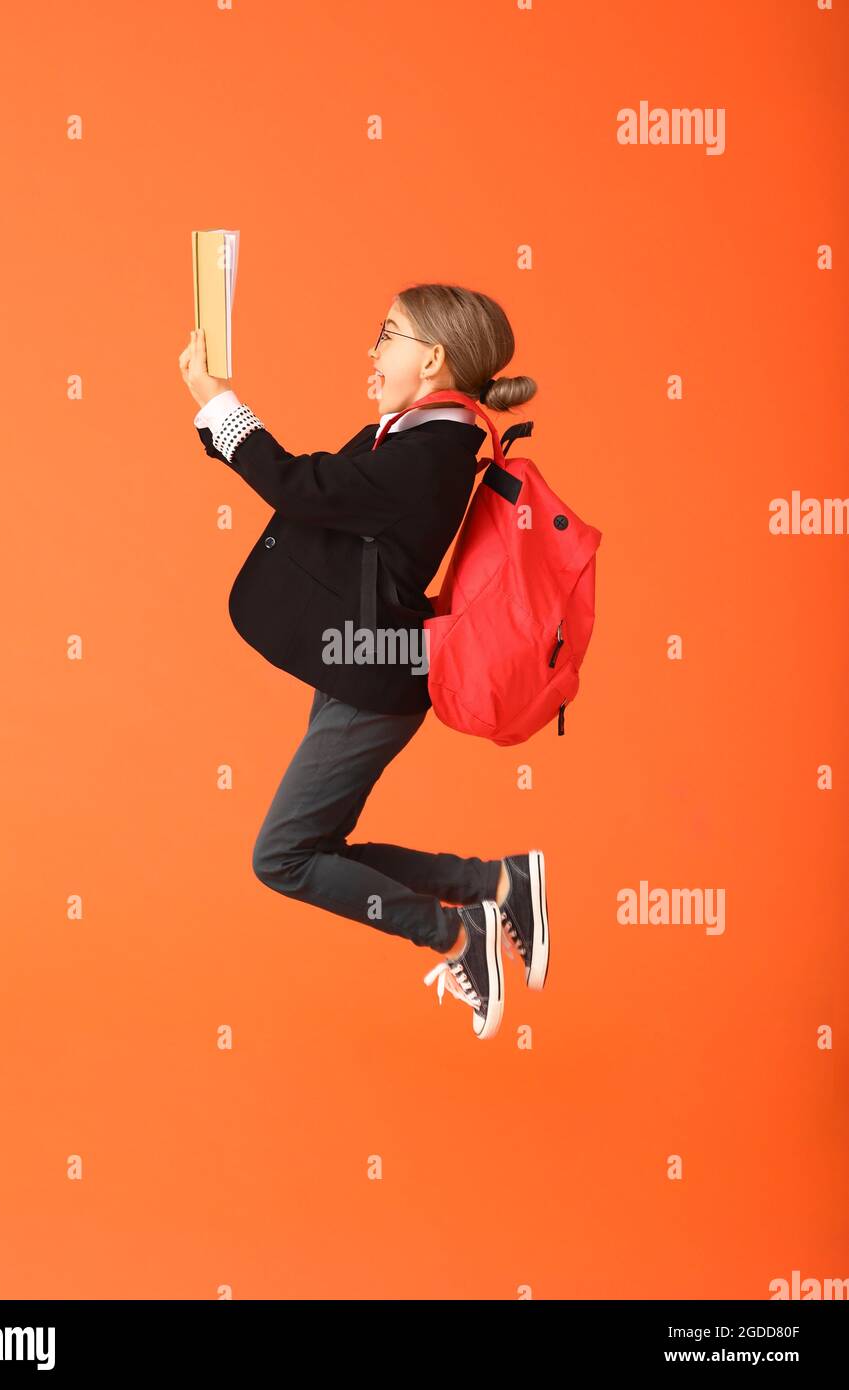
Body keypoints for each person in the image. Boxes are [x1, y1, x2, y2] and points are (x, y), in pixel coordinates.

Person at [178, 283, 549, 1040]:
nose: (372, 352)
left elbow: (303, 486)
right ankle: (497, 884)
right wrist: (216, 416)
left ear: (433, 357)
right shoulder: (418, 440)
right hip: (360, 667)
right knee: (316, 850)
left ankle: (456, 931)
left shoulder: (431, 455)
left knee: (282, 857)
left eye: (387, 335)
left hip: (375, 679)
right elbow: (318, 498)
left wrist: (221, 403)